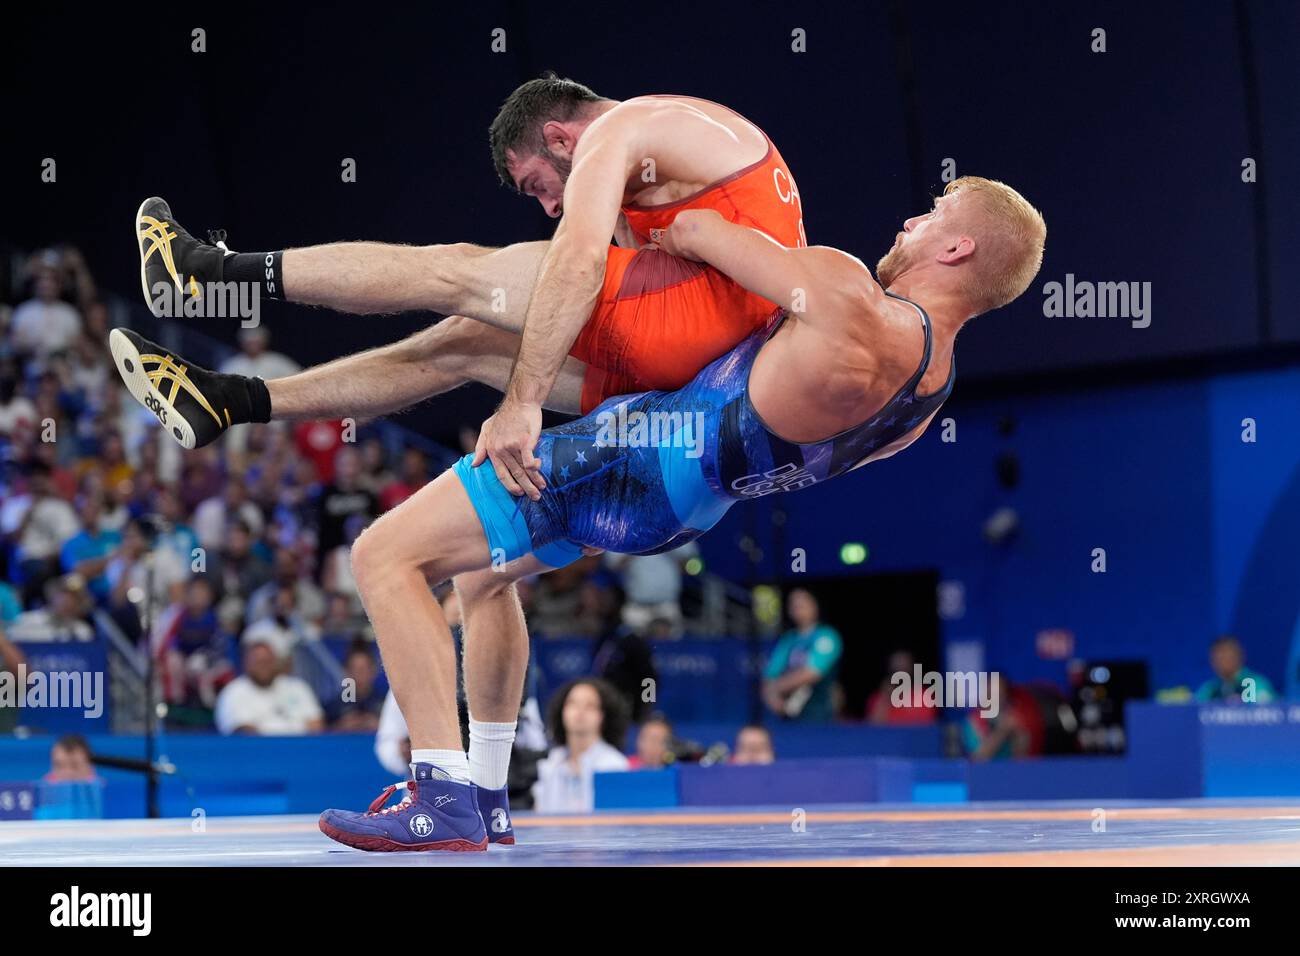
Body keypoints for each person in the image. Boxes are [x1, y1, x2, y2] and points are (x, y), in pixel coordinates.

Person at [309, 175, 1044, 850]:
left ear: (957, 247)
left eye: (932, 214)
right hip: (683, 512)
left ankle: (441, 793)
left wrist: (637, 200)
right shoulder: (928, 397)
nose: (911, 220)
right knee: (481, 580)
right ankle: (491, 795)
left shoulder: (851, 291)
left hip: (628, 456)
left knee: (385, 555)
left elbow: (696, 232)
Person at [529, 679, 631, 814]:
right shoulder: (551, 762)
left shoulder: (615, 765)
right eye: (572, 704)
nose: (580, 711)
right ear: (562, 711)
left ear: (603, 715)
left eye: (590, 706)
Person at [213, 627, 324, 735]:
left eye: (267, 661)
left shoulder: (298, 687)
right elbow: (243, 733)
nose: (263, 667)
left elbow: (316, 725)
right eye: (258, 662)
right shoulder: (233, 692)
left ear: (275, 662)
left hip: (301, 752)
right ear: (246, 663)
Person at [763, 589, 843, 722]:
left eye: (803, 604)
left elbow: (812, 672)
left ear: (815, 606)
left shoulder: (826, 636)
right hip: (788, 715)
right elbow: (771, 673)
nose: (798, 609)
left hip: (819, 714)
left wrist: (774, 688)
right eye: (794, 605)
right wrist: (772, 697)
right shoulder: (788, 639)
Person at [1195, 635, 1277, 704]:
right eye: (1218, 657)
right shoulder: (1210, 688)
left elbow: (1265, 710)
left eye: (1227, 655)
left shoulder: (1253, 683)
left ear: (1239, 656)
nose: (1223, 661)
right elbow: (1196, 707)